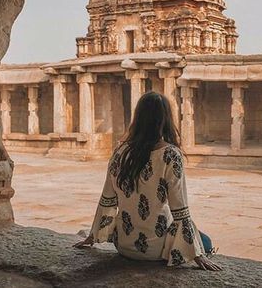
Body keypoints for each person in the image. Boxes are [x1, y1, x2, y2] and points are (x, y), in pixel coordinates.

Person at [74, 91, 221, 271]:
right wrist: (196, 255)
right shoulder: (170, 155)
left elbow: (108, 199)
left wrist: (93, 236)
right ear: (165, 120)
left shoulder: (120, 152)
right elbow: (179, 210)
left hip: (124, 245)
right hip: (156, 249)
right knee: (205, 241)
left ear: (138, 118)